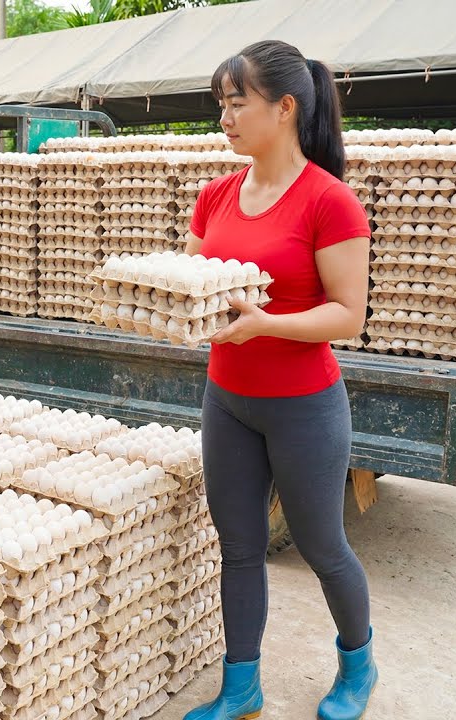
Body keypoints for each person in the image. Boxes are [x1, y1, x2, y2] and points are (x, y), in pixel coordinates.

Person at [181, 41, 374, 720]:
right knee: (239, 548)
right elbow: (196, 282)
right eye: (221, 104)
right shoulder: (215, 196)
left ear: (286, 107)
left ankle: (358, 664)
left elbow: (348, 315)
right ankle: (242, 688)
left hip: (304, 406)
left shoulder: (329, 201)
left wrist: (266, 324)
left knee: (322, 546)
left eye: (238, 103)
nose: (225, 118)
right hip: (228, 399)